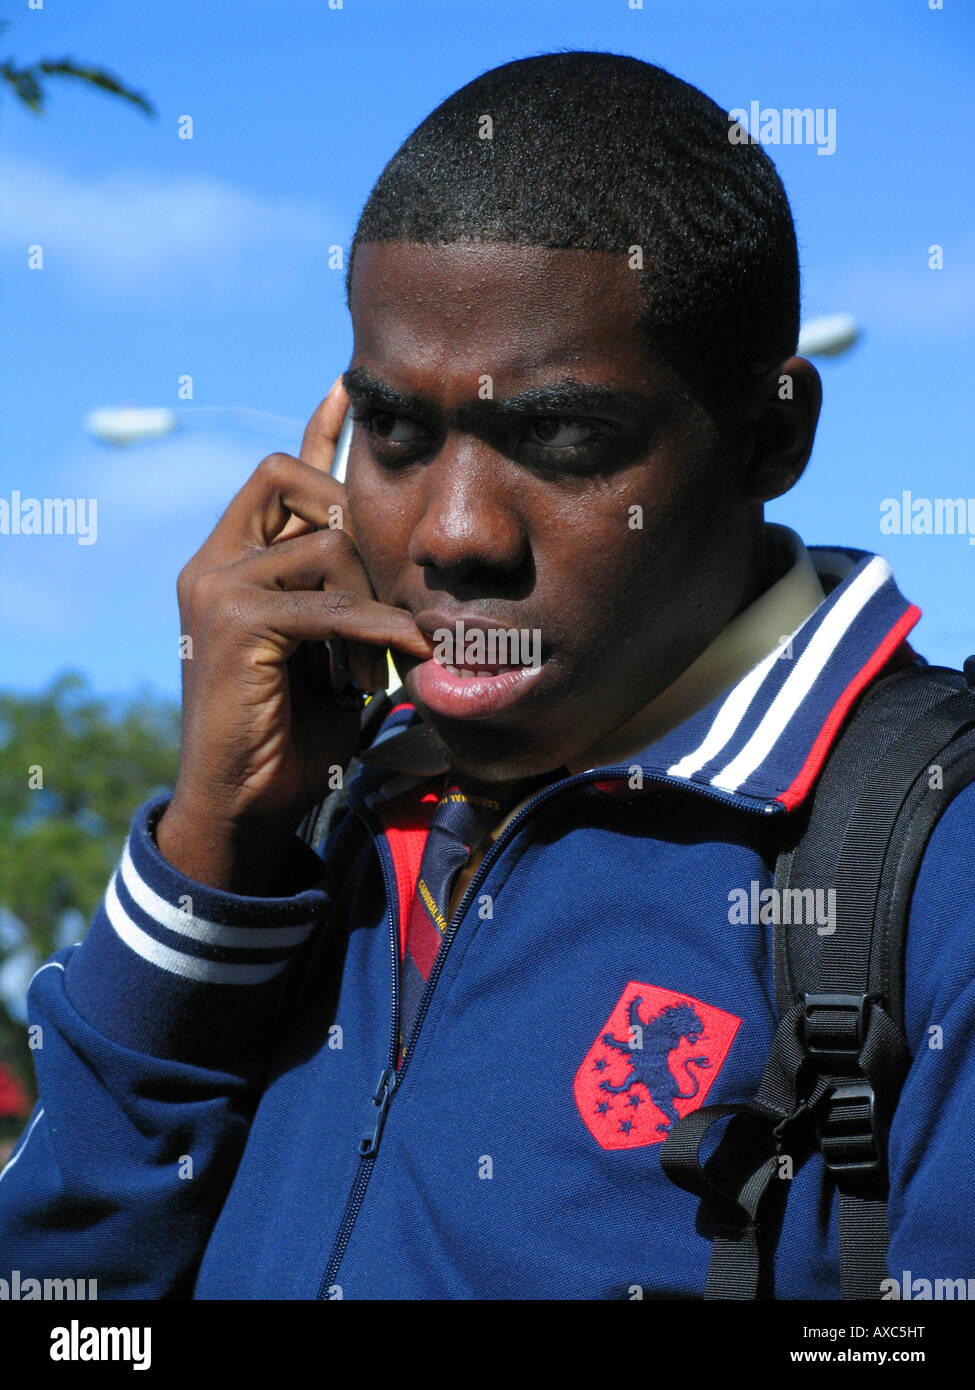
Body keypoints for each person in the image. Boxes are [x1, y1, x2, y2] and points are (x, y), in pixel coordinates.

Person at [2, 51, 973, 1301]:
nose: (456, 532)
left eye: (560, 436)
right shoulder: (326, 821)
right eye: (398, 432)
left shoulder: (924, 875)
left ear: (770, 435)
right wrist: (214, 852)